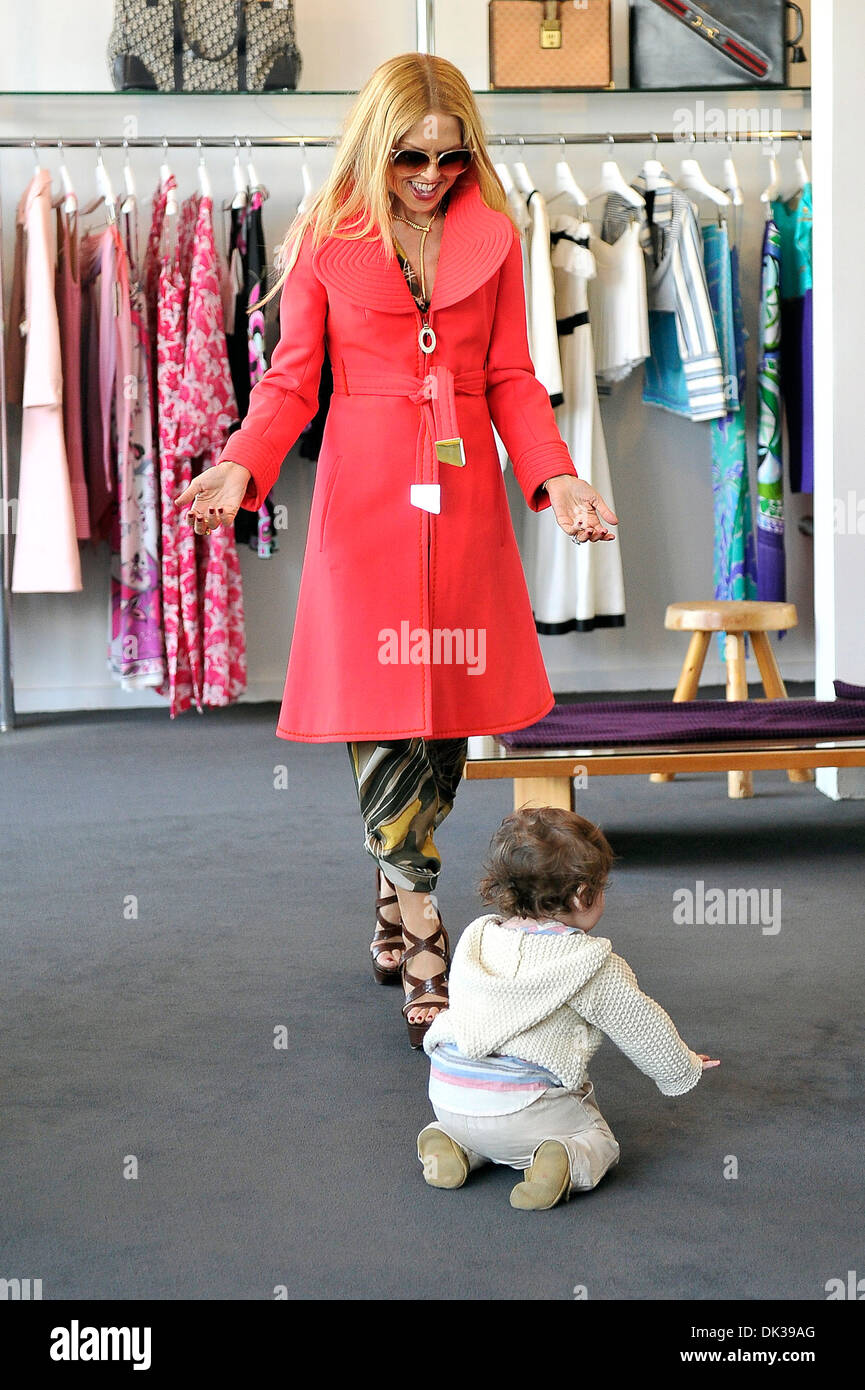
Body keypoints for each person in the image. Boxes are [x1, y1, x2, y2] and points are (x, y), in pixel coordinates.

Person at [173, 53, 618, 1049]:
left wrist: (559, 478)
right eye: (411, 157)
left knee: (445, 715)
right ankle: (421, 920)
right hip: (364, 500)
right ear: (377, 145)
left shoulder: (495, 237)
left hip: (460, 502)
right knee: (383, 711)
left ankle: (389, 881)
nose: (429, 175)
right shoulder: (326, 236)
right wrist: (244, 464)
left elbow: (509, 377)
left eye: (449, 157)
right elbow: (291, 381)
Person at [417, 808, 720, 1210]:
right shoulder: (589, 962)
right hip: (525, 1109)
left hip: (448, 1093)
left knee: (485, 1125)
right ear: (581, 894)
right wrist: (682, 1065)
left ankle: (455, 1143)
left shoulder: (478, 938)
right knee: (599, 1139)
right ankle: (563, 1157)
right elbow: (640, 1024)